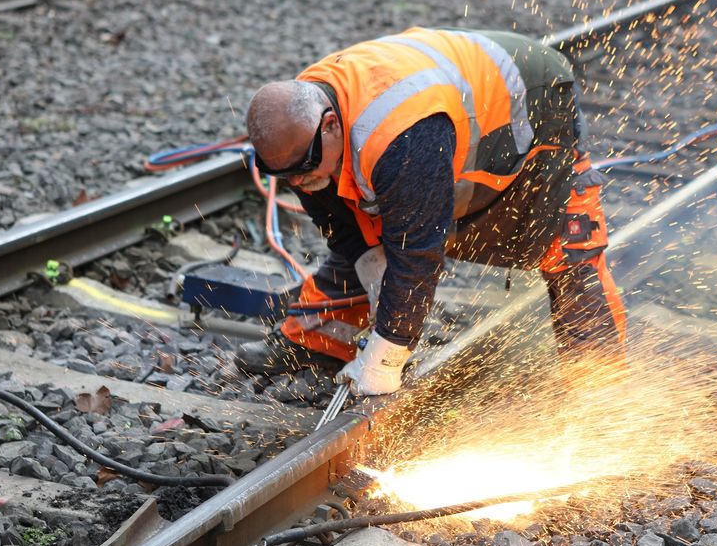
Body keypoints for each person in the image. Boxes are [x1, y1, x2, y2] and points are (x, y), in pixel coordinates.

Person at [238, 27, 625, 396]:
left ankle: (598, 388)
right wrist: (372, 268)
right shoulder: (301, 130)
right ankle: (319, 339)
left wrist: (386, 356)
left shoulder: (401, 136)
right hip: (430, 115)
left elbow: (418, 252)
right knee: (366, 231)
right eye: (283, 176)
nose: (296, 182)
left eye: (303, 169)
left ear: (330, 125)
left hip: (534, 98)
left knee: (566, 243)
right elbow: (344, 225)